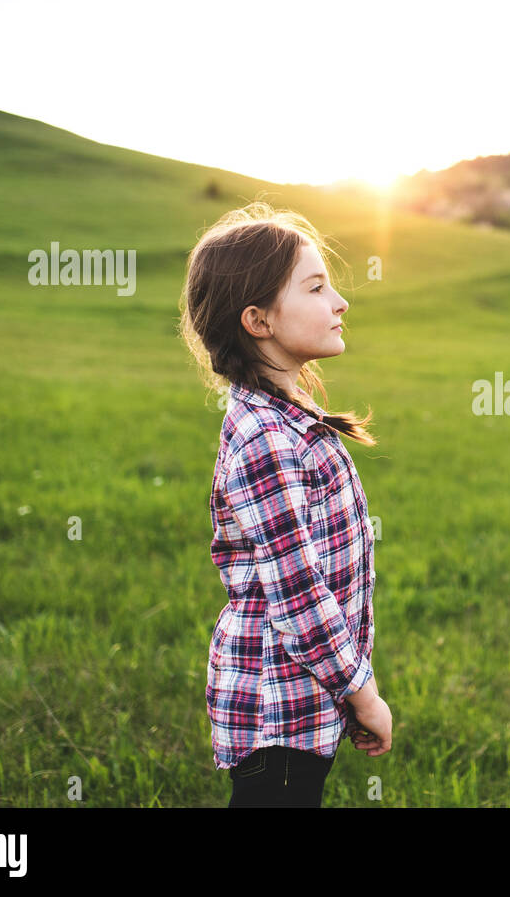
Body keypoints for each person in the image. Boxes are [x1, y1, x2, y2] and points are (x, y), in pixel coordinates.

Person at [179, 202, 392, 807]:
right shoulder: (267, 440)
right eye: (317, 287)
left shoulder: (286, 421)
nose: (340, 302)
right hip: (277, 708)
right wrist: (365, 695)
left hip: (301, 701)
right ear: (258, 320)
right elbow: (299, 594)